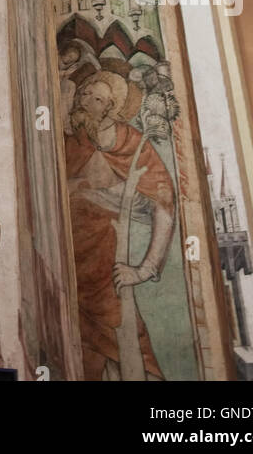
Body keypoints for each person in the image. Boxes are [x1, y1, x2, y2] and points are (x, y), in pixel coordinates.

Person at [66, 72, 175, 380]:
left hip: (106, 254)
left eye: (96, 98)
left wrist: (145, 268)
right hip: (70, 257)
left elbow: (164, 201)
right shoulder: (72, 142)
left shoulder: (131, 142)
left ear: (111, 108)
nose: (85, 101)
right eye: (85, 93)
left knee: (118, 328)